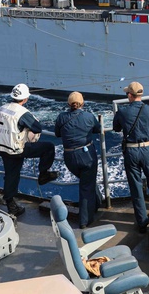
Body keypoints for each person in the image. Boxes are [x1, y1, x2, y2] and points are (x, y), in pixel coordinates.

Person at [112, 81, 149, 232]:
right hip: (147, 149)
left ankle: (142, 224)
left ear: (130, 95)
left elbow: (116, 128)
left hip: (131, 151)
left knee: (136, 188)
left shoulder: (122, 112)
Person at [0, 83, 57, 217]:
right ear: (25, 98)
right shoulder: (22, 112)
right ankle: (43, 174)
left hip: (2, 147)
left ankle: (10, 203)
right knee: (49, 147)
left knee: (11, 175)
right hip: (17, 149)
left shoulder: (3, 108)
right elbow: (37, 128)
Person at [54, 91, 101, 229]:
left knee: (88, 182)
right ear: (82, 103)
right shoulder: (88, 116)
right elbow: (98, 129)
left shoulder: (61, 117)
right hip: (86, 155)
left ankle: (97, 202)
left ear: (68, 104)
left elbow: (57, 133)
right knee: (86, 186)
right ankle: (85, 220)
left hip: (69, 157)